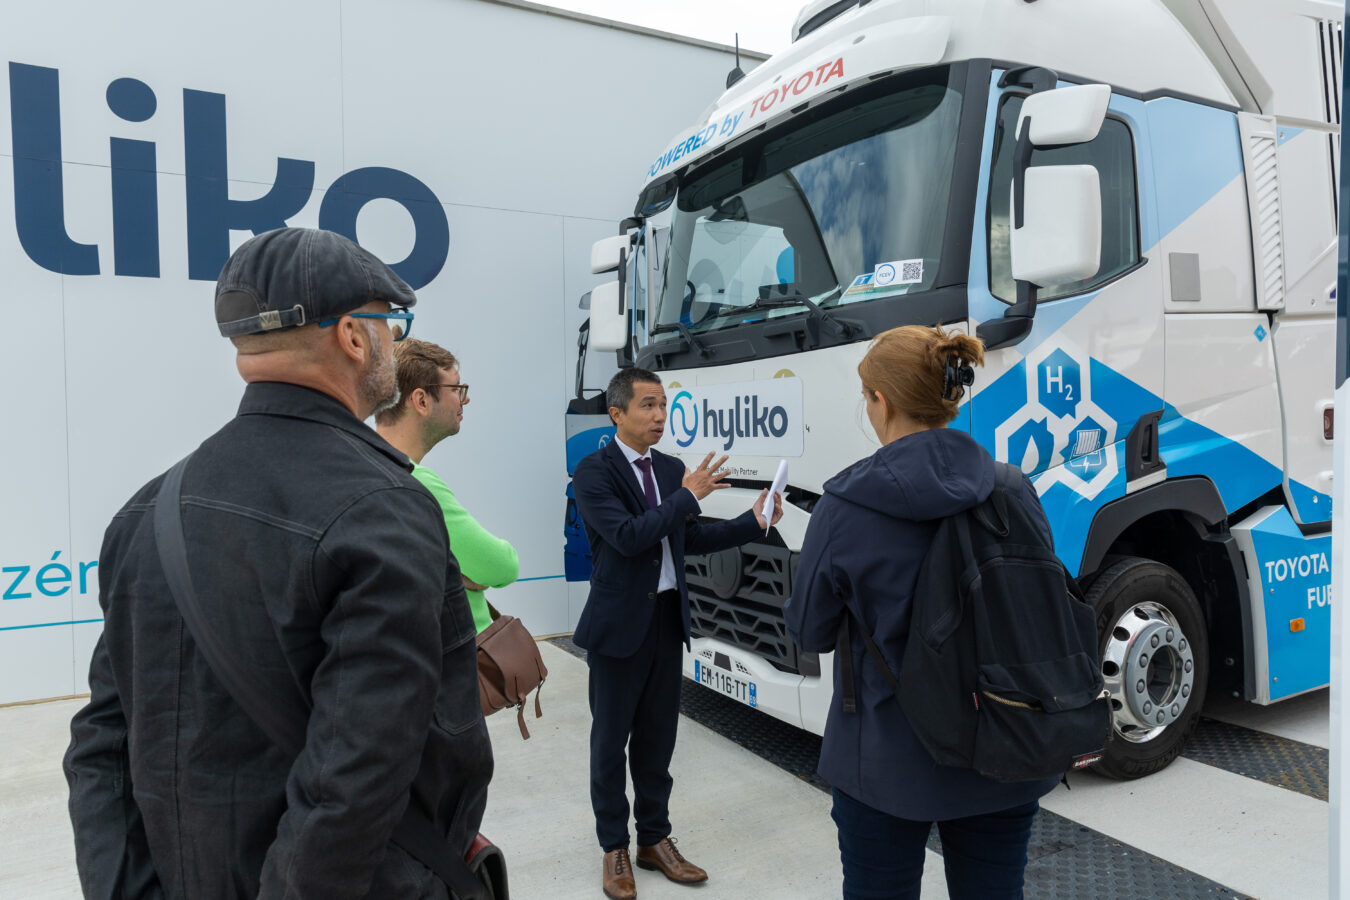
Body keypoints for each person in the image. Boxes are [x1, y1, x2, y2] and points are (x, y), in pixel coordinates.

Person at [63, 227, 493, 899]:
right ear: (353, 337)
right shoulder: (385, 510)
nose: (394, 342)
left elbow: (102, 746)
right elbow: (358, 776)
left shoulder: (146, 512)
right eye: (391, 325)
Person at [783, 325, 1060, 900]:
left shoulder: (844, 506)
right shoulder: (1013, 488)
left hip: (884, 758)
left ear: (881, 401)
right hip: (1005, 742)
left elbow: (810, 631)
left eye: (866, 397)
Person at [572, 366, 782, 900]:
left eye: (663, 405)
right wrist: (686, 497)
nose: (660, 415)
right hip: (618, 627)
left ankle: (653, 839)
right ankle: (614, 847)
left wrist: (754, 521)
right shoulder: (593, 472)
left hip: (667, 620)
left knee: (658, 739)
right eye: (647, 405)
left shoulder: (669, 469)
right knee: (609, 743)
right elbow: (627, 537)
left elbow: (689, 540)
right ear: (617, 414)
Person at [375, 338, 519, 633]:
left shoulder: (369, 466)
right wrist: (455, 571)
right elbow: (502, 566)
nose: (465, 399)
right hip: (457, 652)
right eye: (455, 389)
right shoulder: (415, 481)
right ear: (421, 400)